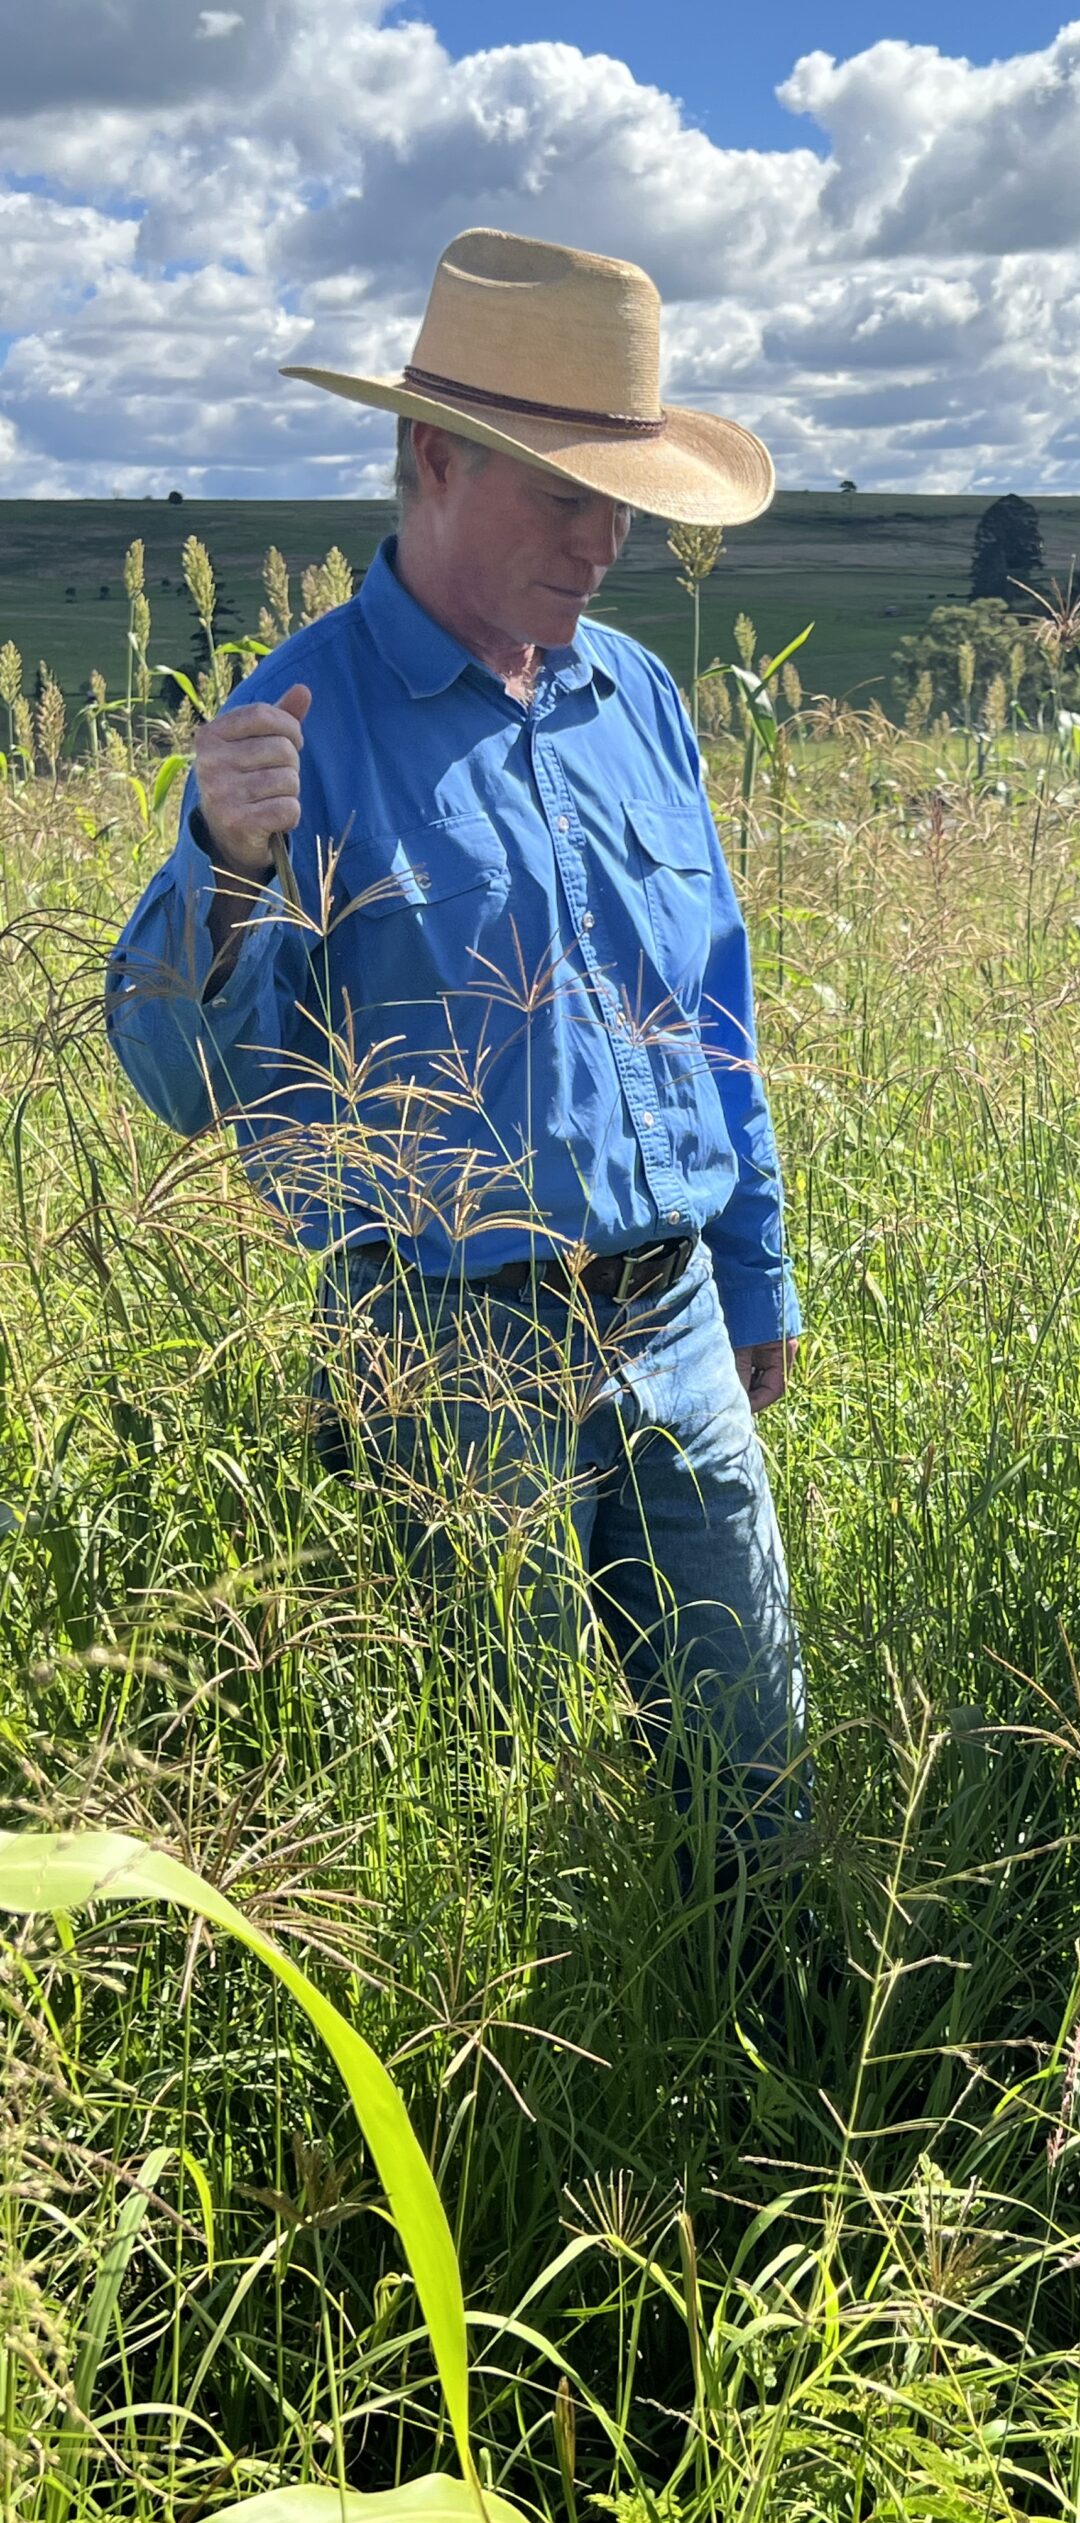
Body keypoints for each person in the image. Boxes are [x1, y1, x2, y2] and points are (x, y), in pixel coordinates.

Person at [106, 229, 803, 1855]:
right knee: (518, 1826)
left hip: (682, 1322)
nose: (609, 537)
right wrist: (225, 866)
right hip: (444, 1357)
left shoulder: (636, 698)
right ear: (433, 459)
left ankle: (762, 2072)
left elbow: (715, 999)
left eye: (619, 495)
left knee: (758, 1796)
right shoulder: (291, 724)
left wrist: (755, 1266)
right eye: (567, 495)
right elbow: (176, 1084)